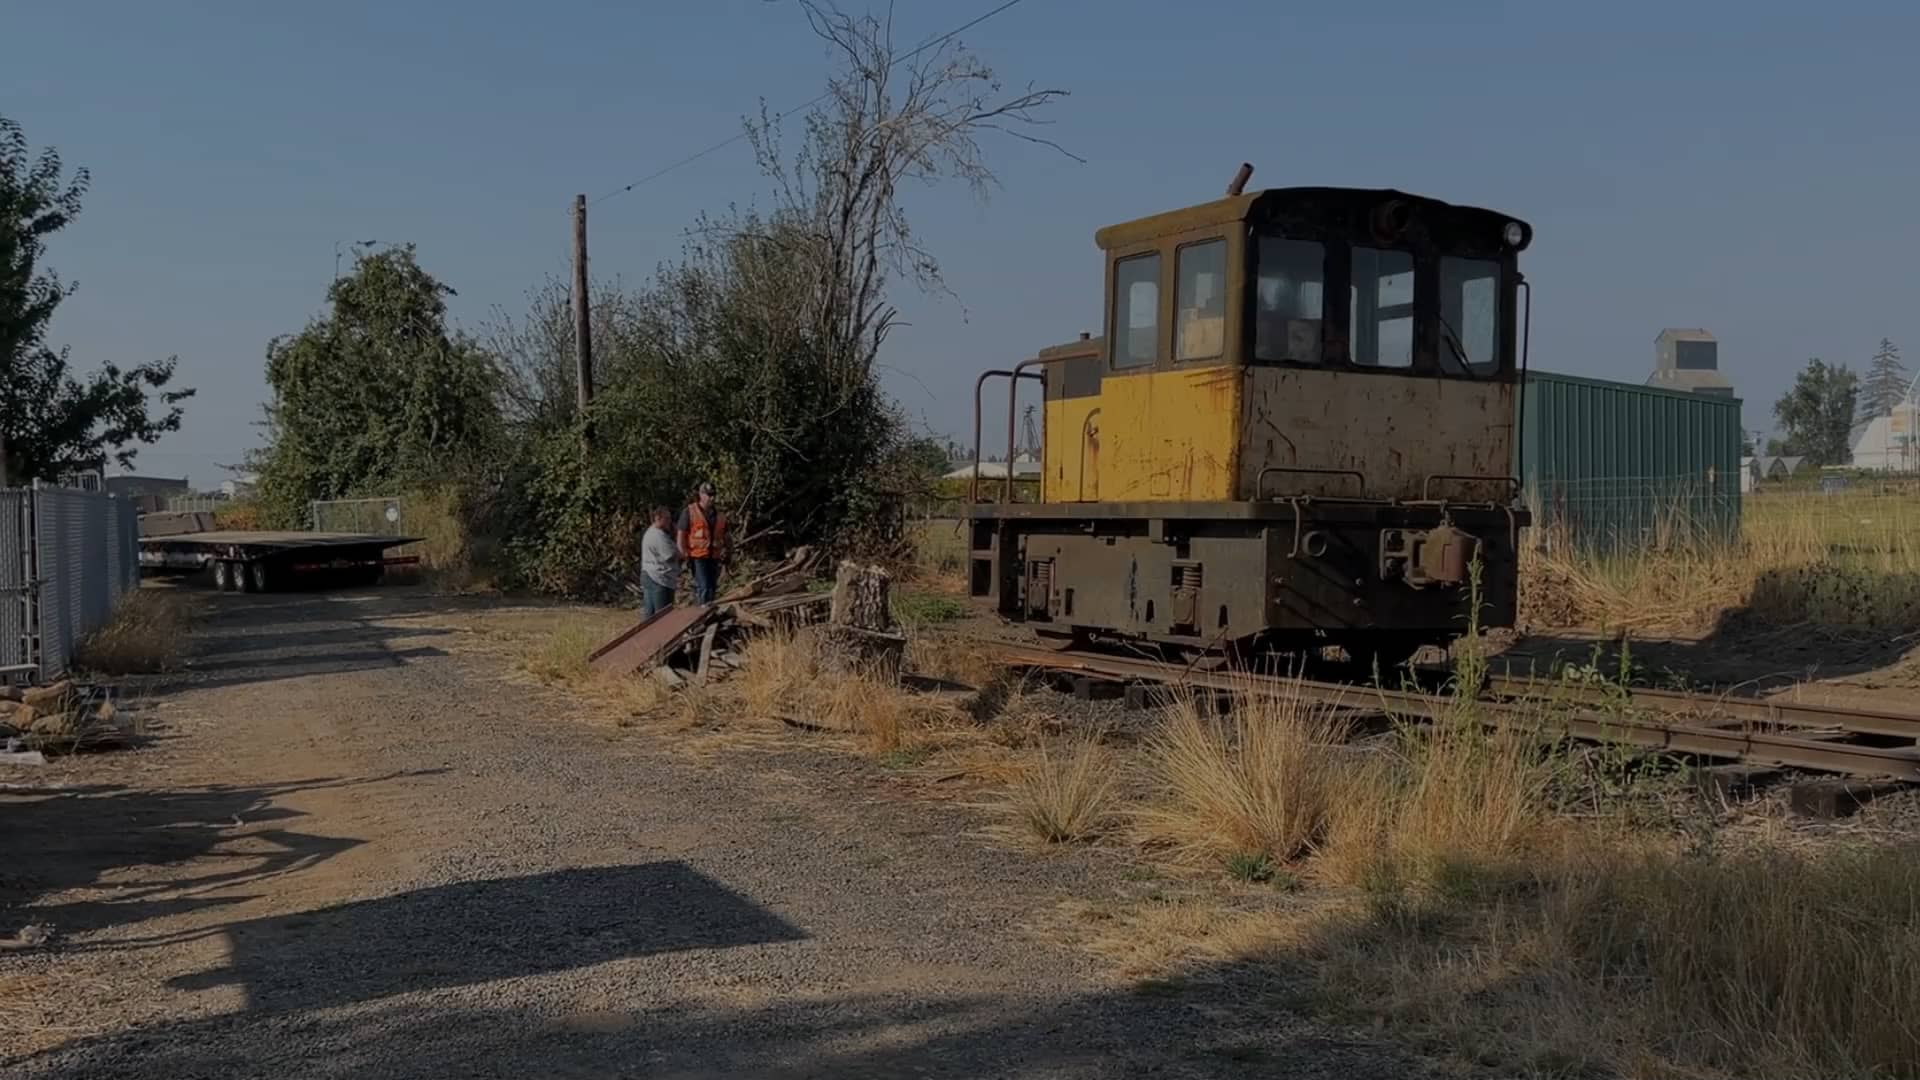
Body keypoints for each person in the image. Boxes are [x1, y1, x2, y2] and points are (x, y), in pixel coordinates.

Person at [676, 482, 727, 605]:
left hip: (714, 557)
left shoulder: (719, 515)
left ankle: (709, 613)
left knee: (712, 588)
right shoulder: (690, 512)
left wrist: (729, 552)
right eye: (709, 495)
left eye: (713, 495)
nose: (712, 498)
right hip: (697, 557)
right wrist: (683, 553)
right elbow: (681, 535)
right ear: (701, 495)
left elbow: (726, 535)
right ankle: (702, 614)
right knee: (704, 587)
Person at [639, 505, 680, 618]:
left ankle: (646, 635)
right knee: (662, 617)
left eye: (670, 518)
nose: (669, 522)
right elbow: (671, 556)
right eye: (667, 519)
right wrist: (681, 549)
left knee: (650, 615)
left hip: (651, 575)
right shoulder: (658, 536)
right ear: (658, 518)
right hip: (659, 579)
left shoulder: (654, 532)